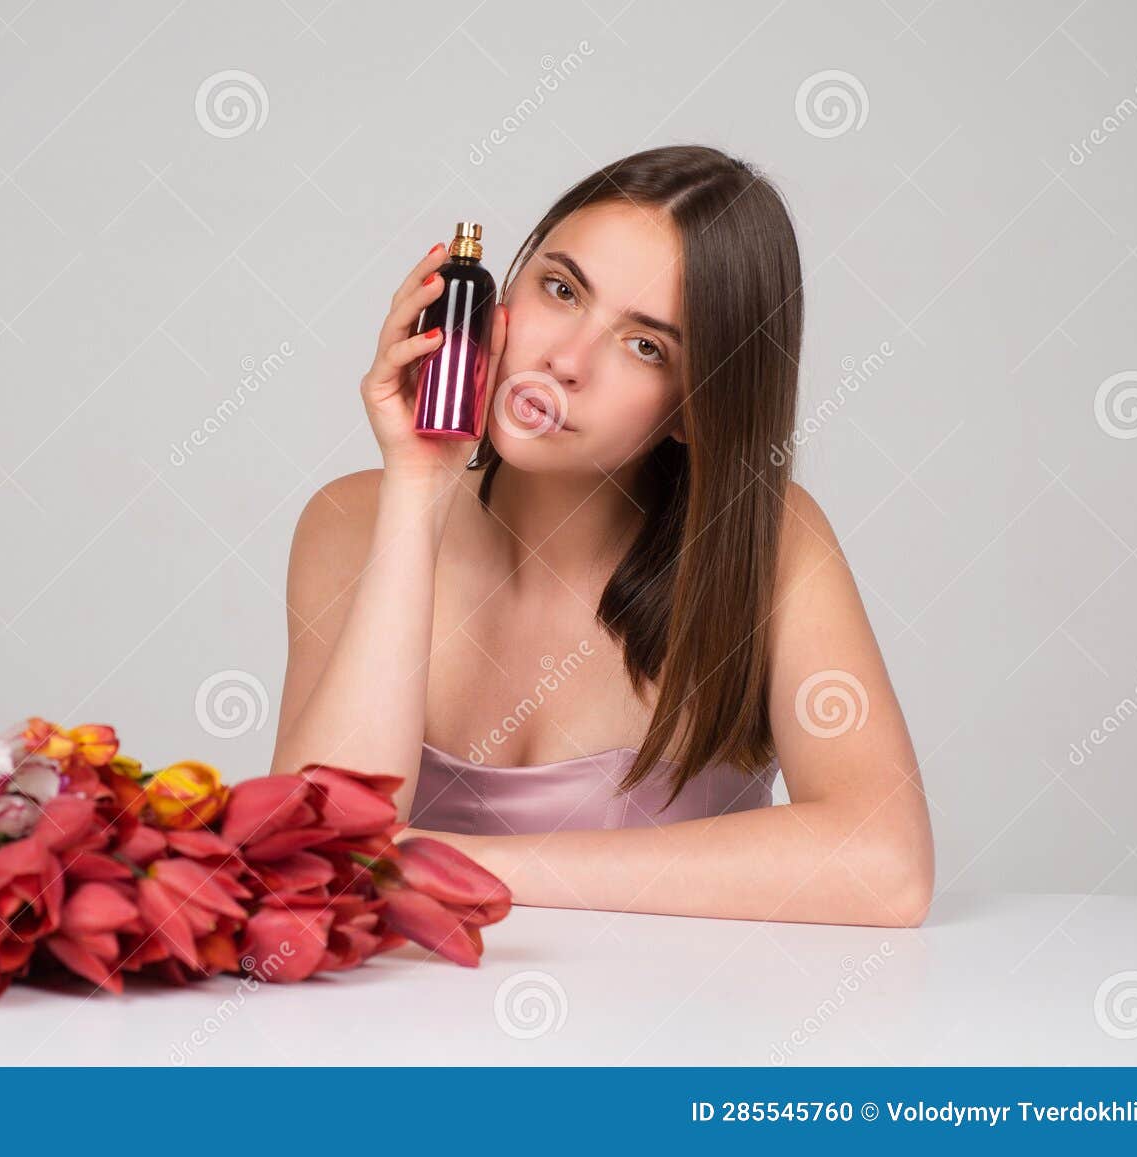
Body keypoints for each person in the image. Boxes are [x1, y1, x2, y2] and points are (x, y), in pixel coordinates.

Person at [269, 145, 934, 928]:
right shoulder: (350, 523)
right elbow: (309, 863)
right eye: (561, 289)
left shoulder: (771, 542)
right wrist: (418, 488)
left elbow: (887, 866)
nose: (565, 360)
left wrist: (444, 863)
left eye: (645, 344)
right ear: (497, 292)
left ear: (694, 408)